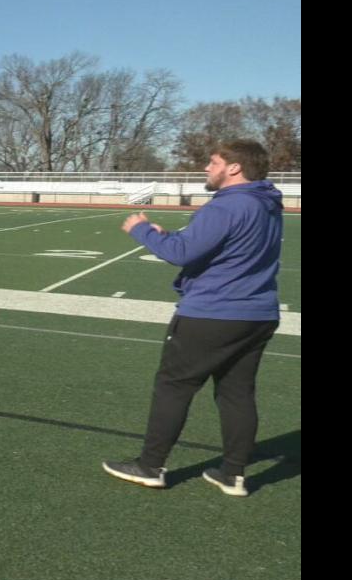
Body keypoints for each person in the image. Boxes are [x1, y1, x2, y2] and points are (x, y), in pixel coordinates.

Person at [102, 140, 283, 497]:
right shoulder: (267, 203)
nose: (206, 168)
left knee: (174, 386)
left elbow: (182, 253)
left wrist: (141, 229)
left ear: (234, 168)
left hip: (213, 313)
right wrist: (167, 236)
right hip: (258, 313)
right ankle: (233, 474)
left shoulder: (226, 206)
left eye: (213, 162)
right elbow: (220, 249)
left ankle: (150, 465)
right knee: (237, 393)